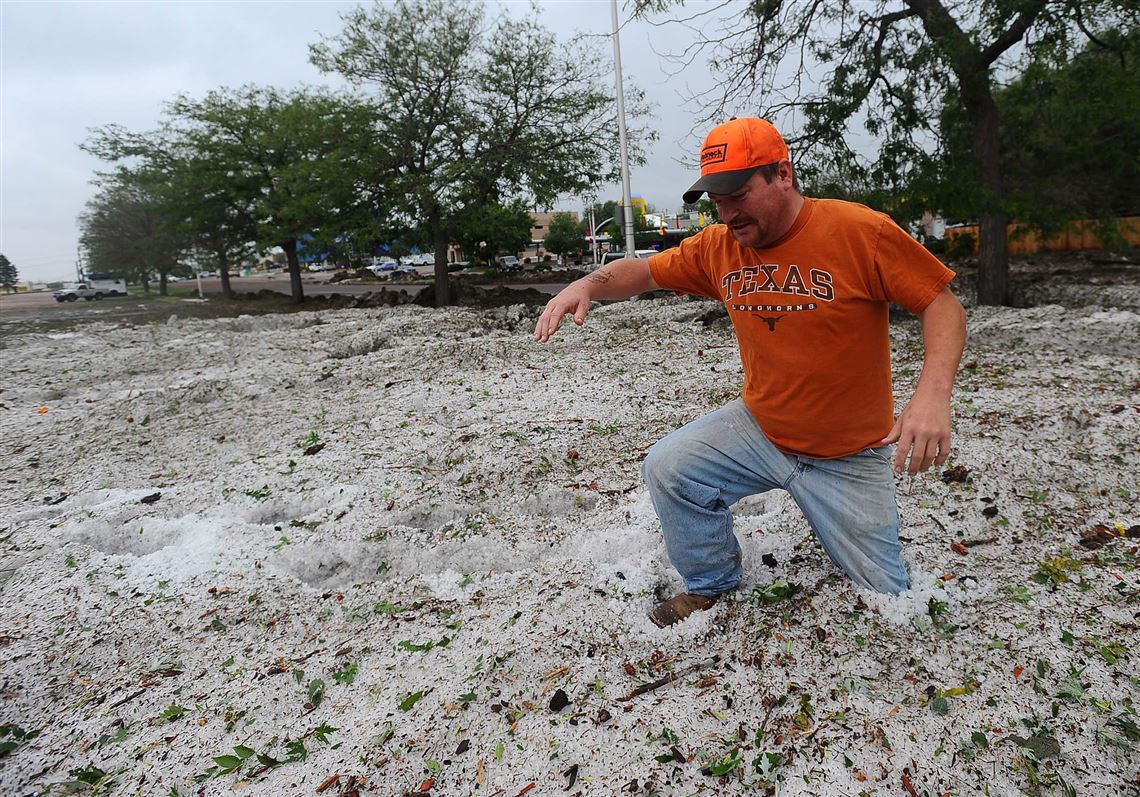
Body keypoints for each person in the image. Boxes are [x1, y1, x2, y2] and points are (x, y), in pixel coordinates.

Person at [533, 117, 966, 627]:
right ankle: (711, 584)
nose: (728, 213)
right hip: (761, 430)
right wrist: (587, 283)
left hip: (849, 454)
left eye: (738, 195)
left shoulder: (859, 232)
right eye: (718, 201)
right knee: (670, 468)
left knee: (890, 596)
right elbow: (645, 271)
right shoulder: (719, 247)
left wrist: (932, 394)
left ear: (783, 174)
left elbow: (942, 304)